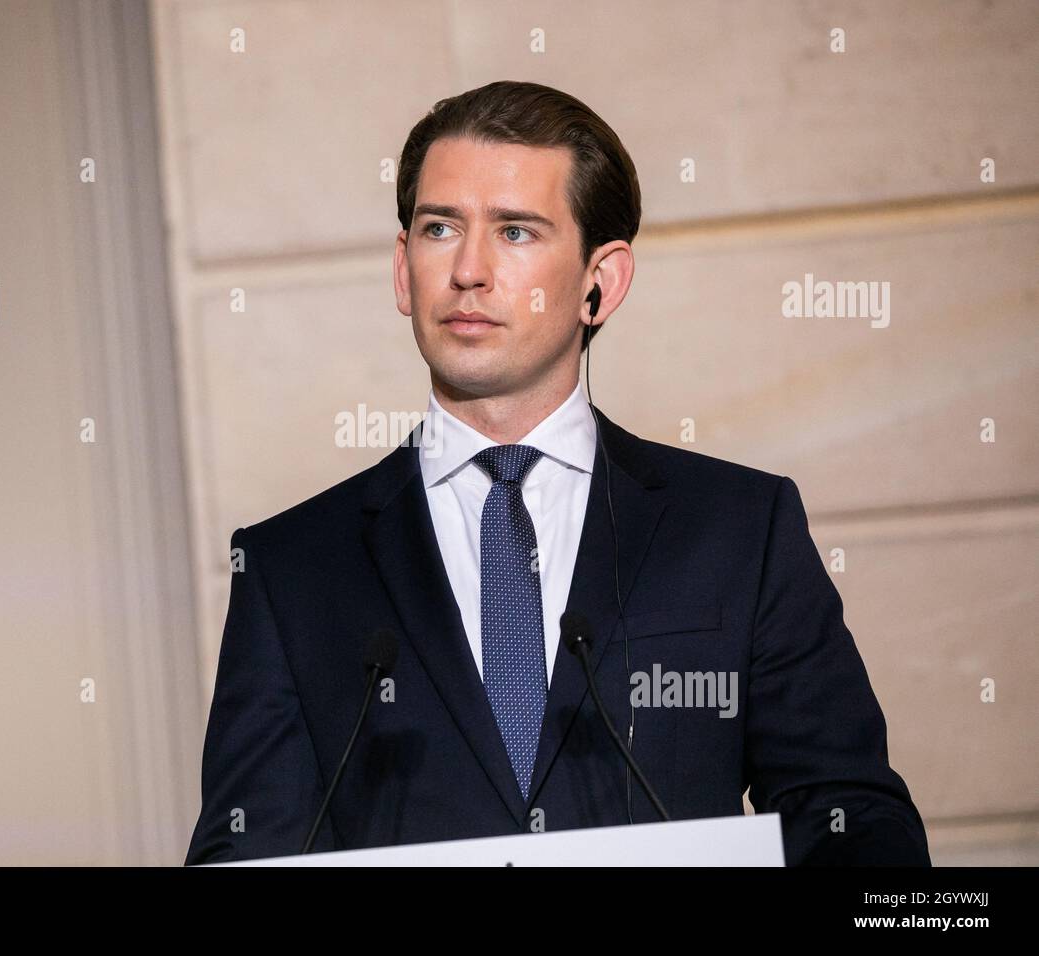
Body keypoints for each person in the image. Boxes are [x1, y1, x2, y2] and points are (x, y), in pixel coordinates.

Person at [184, 80, 930, 866]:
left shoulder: (740, 527)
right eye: (440, 228)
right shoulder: (292, 566)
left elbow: (853, 821)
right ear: (403, 271)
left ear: (600, 281)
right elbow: (243, 852)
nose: (468, 270)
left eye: (515, 232)